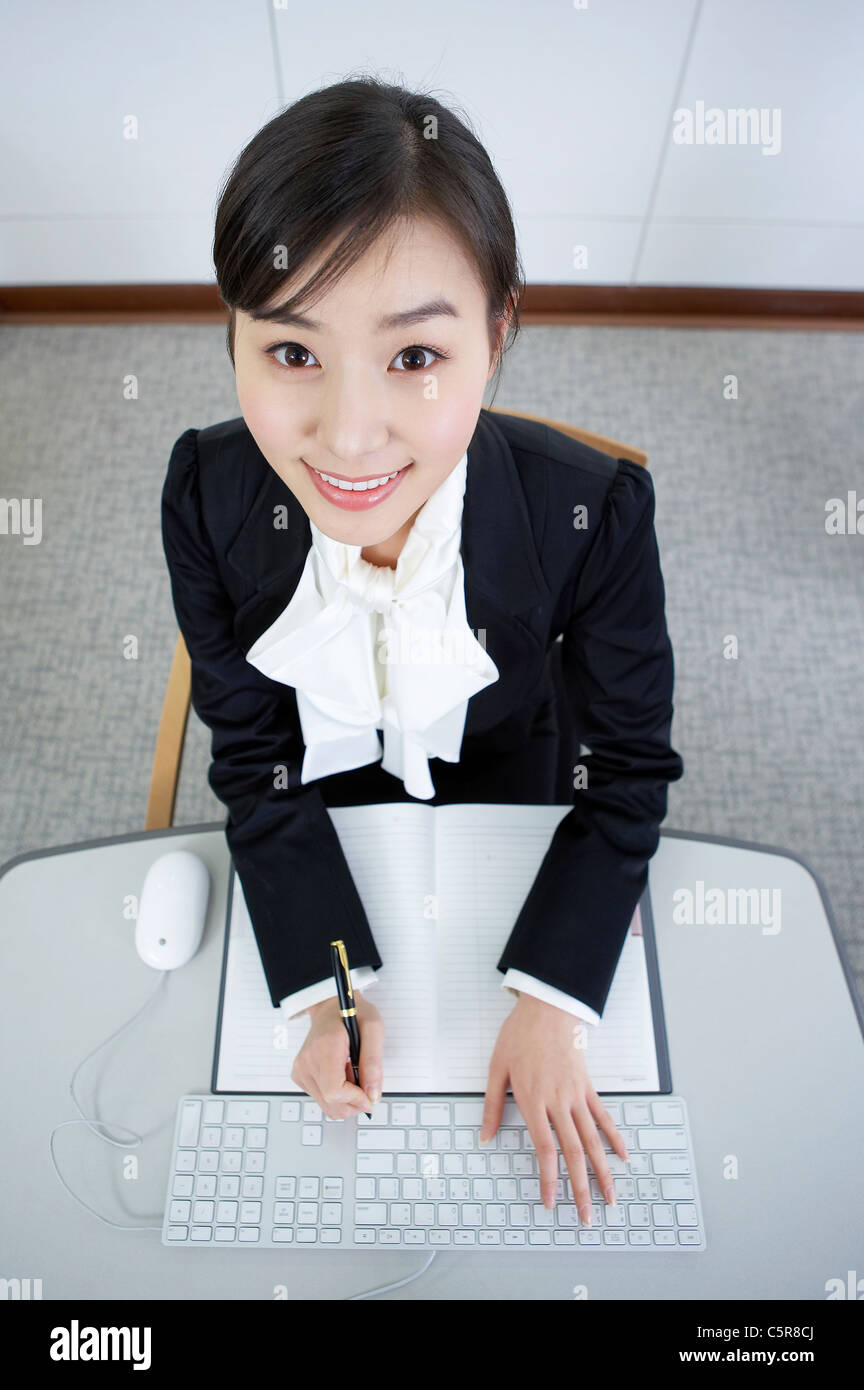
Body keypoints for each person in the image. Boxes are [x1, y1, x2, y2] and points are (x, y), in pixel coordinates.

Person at [161, 75, 684, 1223]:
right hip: (326, 806)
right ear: (233, 335)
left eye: (413, 358)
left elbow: (631, 771)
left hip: (516, 783)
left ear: (497, 334)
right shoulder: (209, 496)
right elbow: (253, 757)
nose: (347, 438)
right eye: (292, 354)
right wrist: (321, 981)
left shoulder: (593, 514)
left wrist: (554, 997)